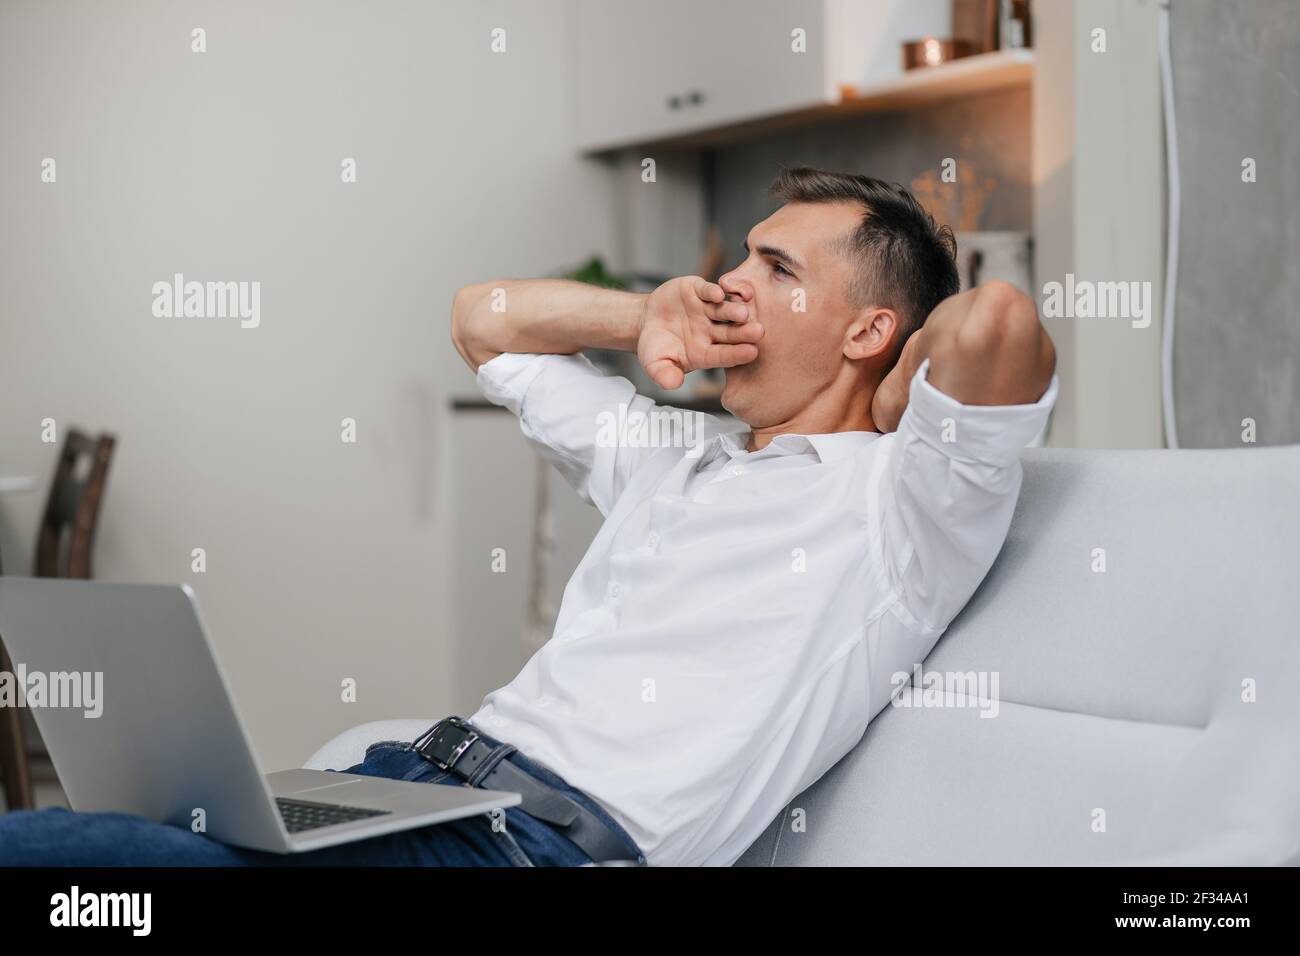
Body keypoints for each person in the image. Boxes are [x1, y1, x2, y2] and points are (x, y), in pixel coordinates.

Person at [0, 167, 1056, 866]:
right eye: (739, 256)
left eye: (773, 270)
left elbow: (997, 319)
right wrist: (641, 313)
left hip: (529, 849)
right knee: (123, 839)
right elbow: (482, 321)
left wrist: (892, 393)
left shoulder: (901, 506)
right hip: (419, 788)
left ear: (869, 329)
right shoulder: (674, 453)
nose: (729, 285)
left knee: (68, 859)